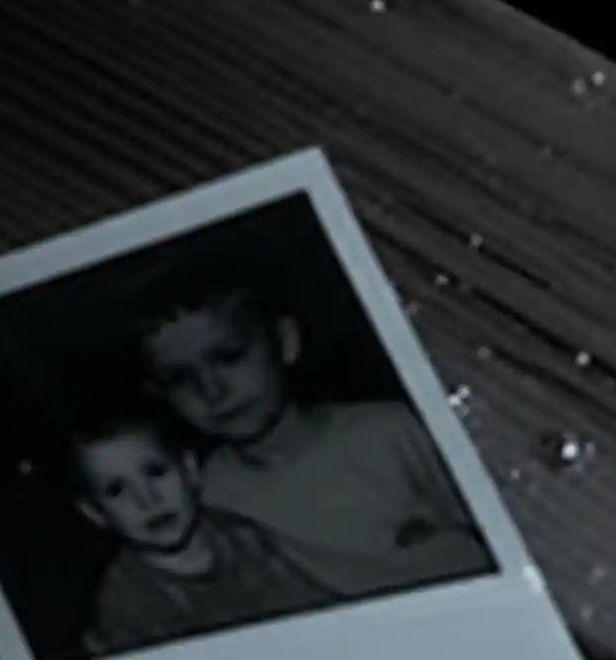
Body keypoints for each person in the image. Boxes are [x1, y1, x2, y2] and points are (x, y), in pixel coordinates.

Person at [124, 246, 495, 598]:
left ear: (284, 342)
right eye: (180, 378)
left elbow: (505, 529)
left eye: (229, 356)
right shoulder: (204, 493)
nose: (212, 390)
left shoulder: (391, 432)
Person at [64, 411, 334, 655]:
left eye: (156, 472)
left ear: (190, 471)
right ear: (96, 513)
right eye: (117, 490)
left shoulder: (242, 537)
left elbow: (315, 608)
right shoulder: (124, 601)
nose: (147, 499)